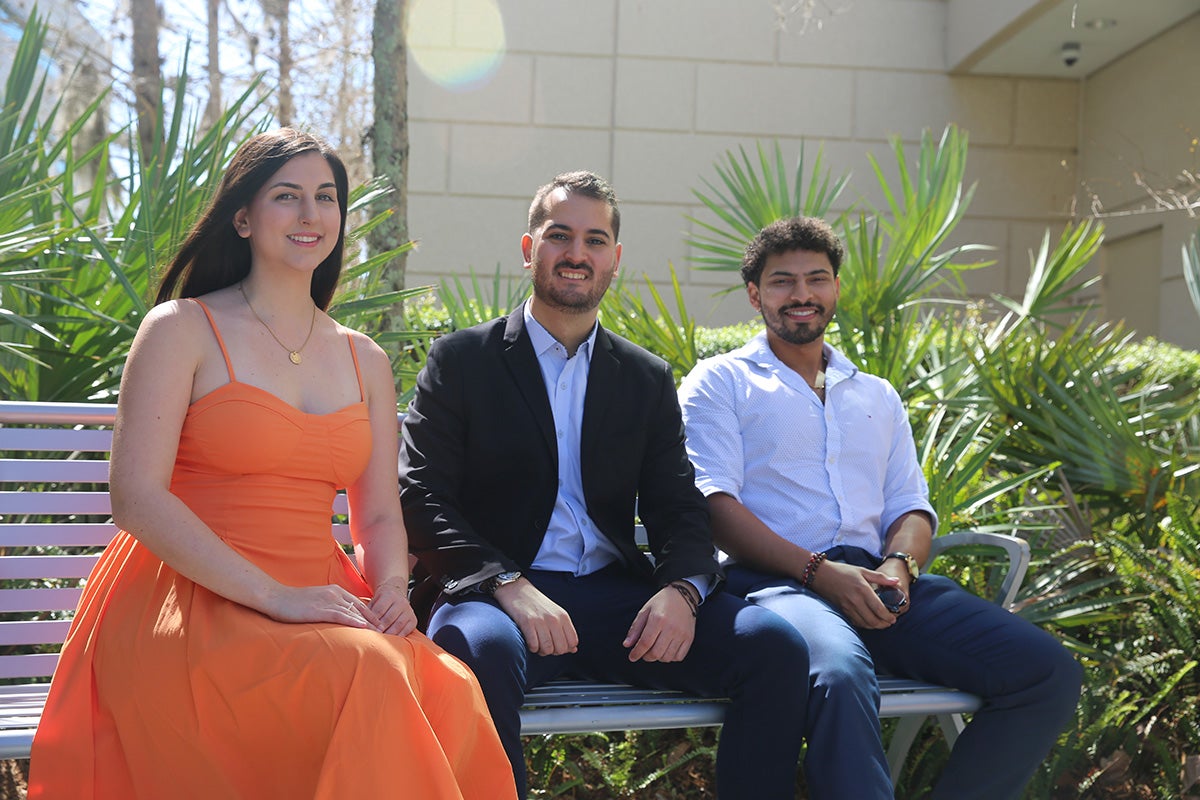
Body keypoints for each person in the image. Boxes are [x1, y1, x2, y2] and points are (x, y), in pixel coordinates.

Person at [28, 128, 516, 800]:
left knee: (450, 684)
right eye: (287, 196)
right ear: (243, 216)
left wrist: (393, 592)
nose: (311, 215)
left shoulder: (363, 358)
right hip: (190, 599)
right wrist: (275, 598)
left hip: (321, 594)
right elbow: (135, 496)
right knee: (366, 674)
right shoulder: (181, 328)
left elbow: (375, 512)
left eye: (325, 197)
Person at [399, 171, 811, 799]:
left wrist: (684, 589)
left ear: (614, 259)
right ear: (528, 247)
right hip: (500, 598)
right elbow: (420, 493)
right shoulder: (462, 361)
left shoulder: (644, 377)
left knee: (774, 645)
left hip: (617, 603)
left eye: (595, 240)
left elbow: (678, 503)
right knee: (469, 652)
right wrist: (507, 584)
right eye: (559, 235)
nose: (576, 253)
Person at [677, 216, 1084, 800]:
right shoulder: (720, 382)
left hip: (880, 580)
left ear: (836, 288)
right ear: (754, 295)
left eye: (817, 279)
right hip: (775, 585)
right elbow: (714, 506)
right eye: (782, 281)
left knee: (1046, 672)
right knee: (839, 675)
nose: (802, 295)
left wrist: (900, 566)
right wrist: (820, 573)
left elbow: (911, 506)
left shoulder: (876, 394)